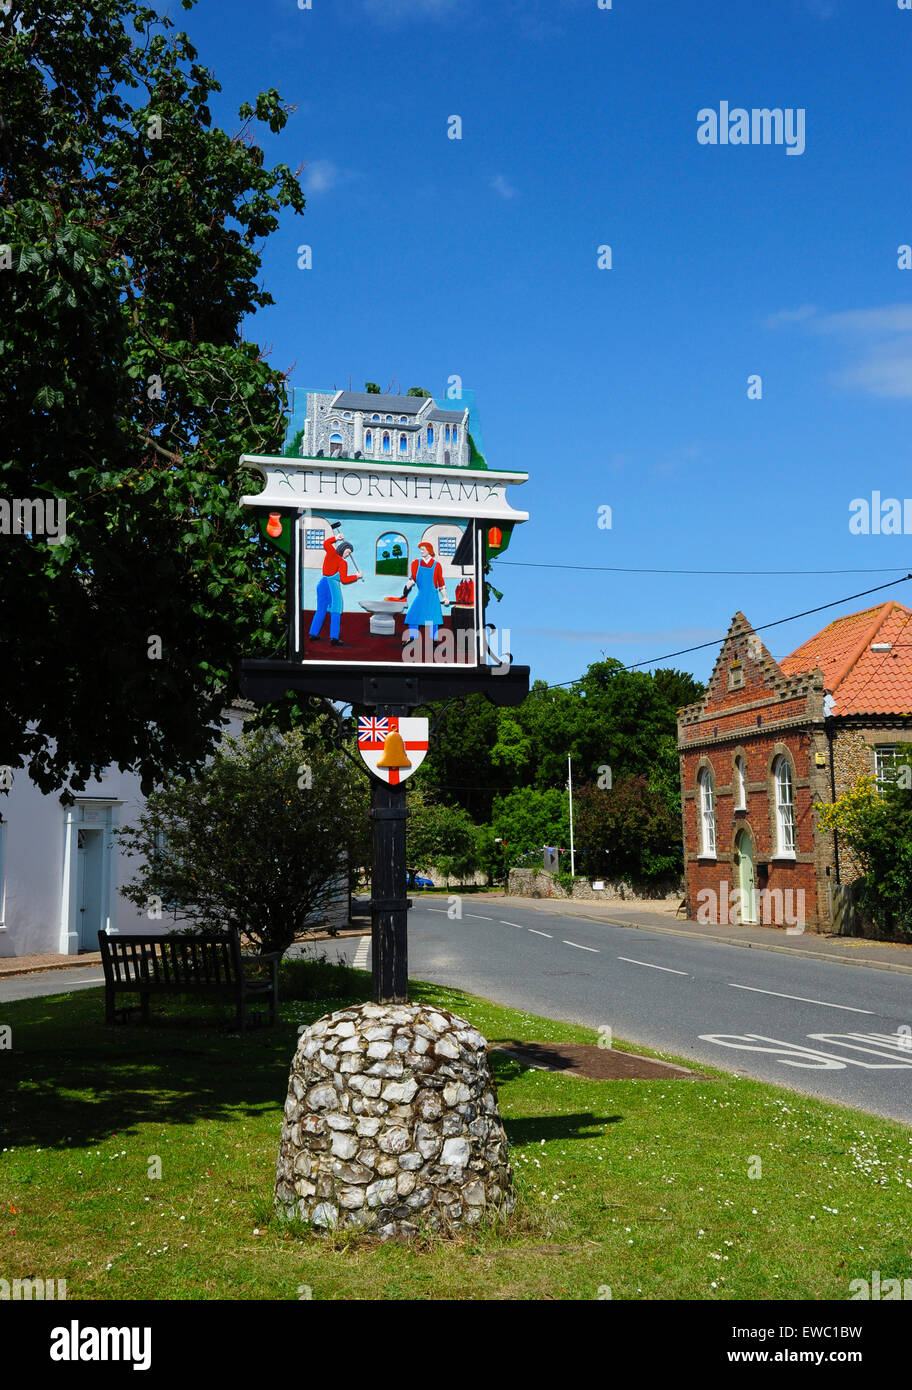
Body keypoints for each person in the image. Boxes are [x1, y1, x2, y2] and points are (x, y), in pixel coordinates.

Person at [309, 530, 362, 645]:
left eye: (349, 554)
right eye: (347, 553)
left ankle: (313, 634)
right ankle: (334, 638)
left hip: (322, 584)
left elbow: (326, 544)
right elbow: (344, 580)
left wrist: (336, 538)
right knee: (336, 610)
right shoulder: (343, 563)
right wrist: (356, 576)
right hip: (332, 586)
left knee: (321, 609)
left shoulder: (331, 552)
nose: (347, 555)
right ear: (342, 549)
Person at [404, 541, 448, 640]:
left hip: (432, 596)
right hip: (421, 594)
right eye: (420, 550)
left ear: (429, 550)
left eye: (423, 549)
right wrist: (407, 586)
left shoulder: (437, 565)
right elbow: (413, 578)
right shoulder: (416, 563)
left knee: (433, 618)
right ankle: (412, 637)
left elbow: (441, 583)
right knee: (412, 615)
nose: (421, 551)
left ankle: (434, 640)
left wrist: (445, 597)